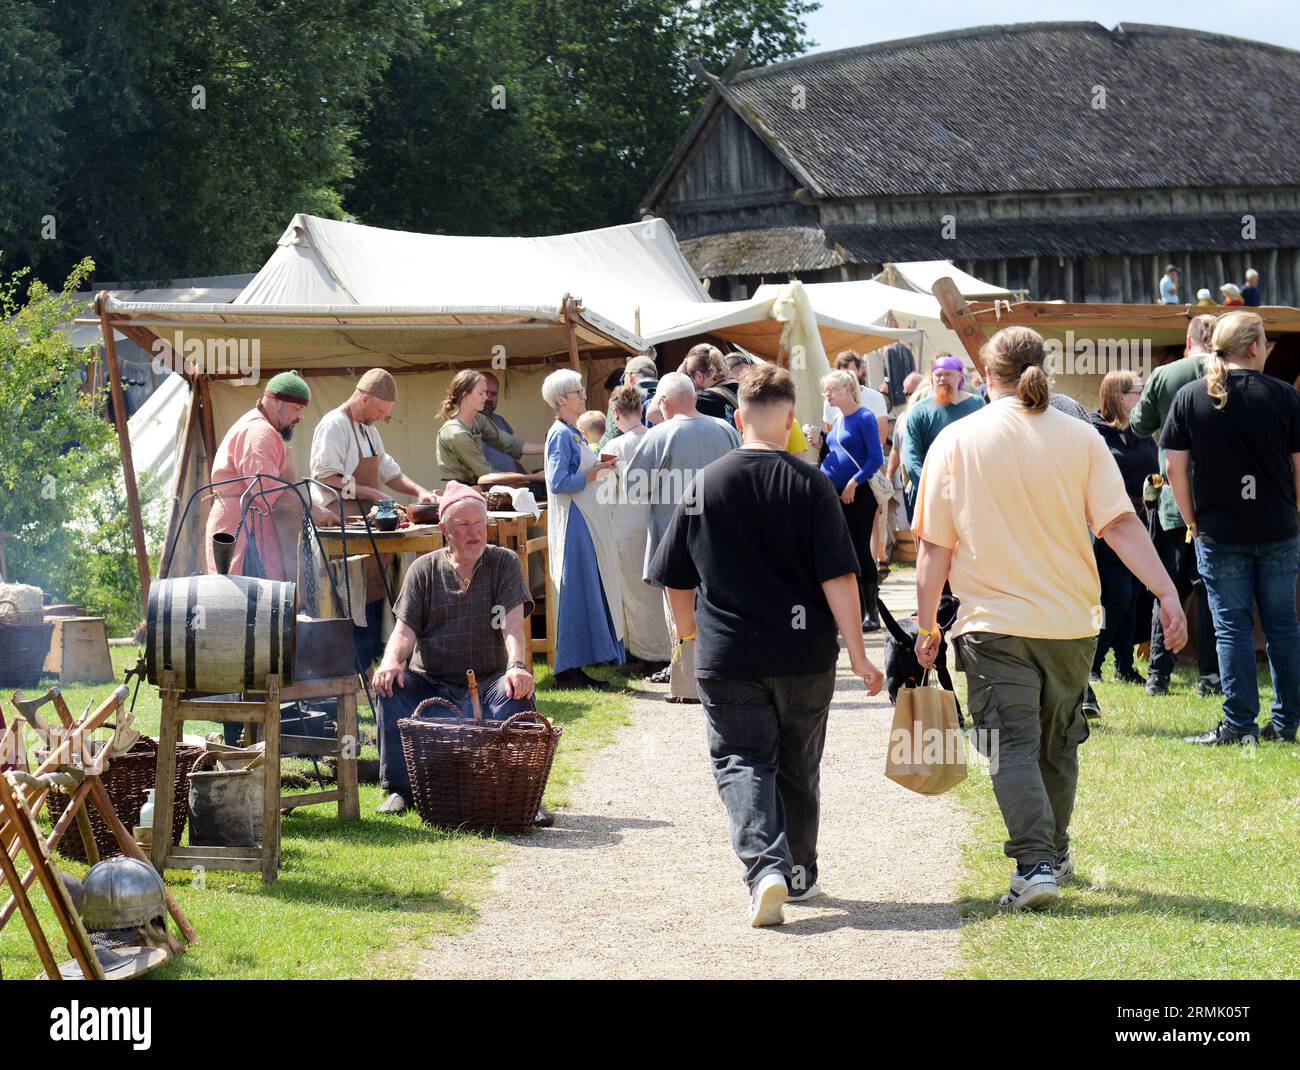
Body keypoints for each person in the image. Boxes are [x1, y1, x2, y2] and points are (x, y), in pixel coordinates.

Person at [913, 325, 1185, 911]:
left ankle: (1036, 865)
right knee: (1058, 746)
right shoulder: (1082, 438)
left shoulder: (955, 442)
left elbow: (935, 547)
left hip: (992, 624)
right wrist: (1166, 593)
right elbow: (1120, 525)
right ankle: (1053, 854)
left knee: (1010, 744)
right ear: (1044, 371)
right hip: (1071, 624)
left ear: (986, 377)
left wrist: (927, 623)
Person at [649, 364, 884, 927]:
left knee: (742, 760)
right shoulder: (812, 484)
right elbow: (840, 578)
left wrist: (687, 638)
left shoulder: (704, 485)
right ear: (790, 420)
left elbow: (674, 576)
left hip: (728, 655)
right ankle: (799, 868)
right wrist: (857, 651)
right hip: (805, 654)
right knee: (800, 763)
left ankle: (766, 868)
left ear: (737, 418)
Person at [1163, 311, 1300, 745]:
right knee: (1283, 626)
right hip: (1278, 527)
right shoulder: (1283, 396)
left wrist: (1190, 520)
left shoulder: (1190, 397)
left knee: (1232, 628)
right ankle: (1286, 724)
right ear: (1255, 347)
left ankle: (1239, 725)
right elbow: (1299, 467)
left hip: (1219, 532)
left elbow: (1173, 468)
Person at [368, 482, 538, 814]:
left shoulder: (503, 563)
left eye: (480, 524)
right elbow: (404, 633)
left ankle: (523, 791)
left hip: (487, 682)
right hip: (431, 684)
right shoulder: (423, 570)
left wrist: (516, 665)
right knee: (390, 688)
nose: (475, 533)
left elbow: (513, 625)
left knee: (517, 691)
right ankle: (401, 790)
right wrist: (390, 662)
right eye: (464, 525)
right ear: (445, 530)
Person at [310, 369, 438, 671]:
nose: (381, 417)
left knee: (374, 591)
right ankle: (349, 667)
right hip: (341, 523)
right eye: (379, 411)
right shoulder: (334, 425)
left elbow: (389, 470)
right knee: (351, 595)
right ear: (364, 398)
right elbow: (326, 477)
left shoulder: (370, 430)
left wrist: (420, 491)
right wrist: (371, 493)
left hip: (367, 526)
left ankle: (369, 662)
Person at [624, 372, 741, 700]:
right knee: (722, 610)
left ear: (663, 402)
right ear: (694, 396)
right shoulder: (726, 429)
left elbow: (633, 488)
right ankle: (727, 679)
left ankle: (689, 686)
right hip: (724, 538)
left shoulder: (658, 434)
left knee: (681, 616)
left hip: (675, 540)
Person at [1129, 314, 1221, 697]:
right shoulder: (1226, 374)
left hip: (1171, 499)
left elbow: (1137, 423)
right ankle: (1210, 677)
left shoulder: (1165, 376)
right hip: (1218, 499)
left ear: (1188, 340)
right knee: (1211, 591)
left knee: (1166, 588)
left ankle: (1158, 674)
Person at [206, 371, 336, 580]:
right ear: (276, 402)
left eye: (303, 410)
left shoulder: (266, 430)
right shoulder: (259, 433)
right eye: (297, 408)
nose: (300, 417)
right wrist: (313, 510)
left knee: (265, 600)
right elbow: (267, 492)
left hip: (253, 525)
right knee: (247, 600)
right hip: (242, 529)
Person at [542, 369, 625, 689]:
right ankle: (569, 667)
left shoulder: (570, 432)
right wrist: (592, 475)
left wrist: (598, 468)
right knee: (575, 589)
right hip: (575, 521)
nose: (584, 396)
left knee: (585, 587)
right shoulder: (560, 435)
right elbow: (558, 482)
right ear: (561, 399)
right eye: (578, 392)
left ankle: (582, 660)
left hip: (584, 520)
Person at [1088, 371, 1158, 687]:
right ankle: (1093, 663)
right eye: (1136, 391)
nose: (1141, 397)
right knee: (1115, 596)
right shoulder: (1095, 432)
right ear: (1118, 395)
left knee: (1132, 596)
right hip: (1108, 522)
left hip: (1139, 520)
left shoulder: (1140, 431)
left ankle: (1125, 665)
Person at [602, 386, 672, 675]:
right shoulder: (659, 439)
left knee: (634, 592)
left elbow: (606, 492)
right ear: (640, 410)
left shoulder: (614, 448)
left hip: (626, 524)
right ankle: (666, 647)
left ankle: (648, 654)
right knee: (657, 592)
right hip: (657, 520)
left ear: (616, 414)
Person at [819, 370, 884, 632]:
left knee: (859, 551)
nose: (827, 395)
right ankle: (852, 611)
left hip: (858, 495)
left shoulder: (864, 417)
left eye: (831, 390)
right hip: (835, 494)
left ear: (847, 389)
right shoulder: (838, 419)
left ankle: (872, 612)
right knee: (842, 552)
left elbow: (875, 458)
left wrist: (853, 482)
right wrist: (821, 442)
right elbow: (834, 451)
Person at [901, 354, 985, 515]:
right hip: (931, 491)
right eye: (938, 375)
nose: (942, 379)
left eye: (947, 374)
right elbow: (911, 456)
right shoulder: (919, 411)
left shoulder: (977, 405)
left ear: (960, 375)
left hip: (970, 490)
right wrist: (928, 488)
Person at [436, 370, 542, 485]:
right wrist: (534, 477)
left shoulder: (478, 420)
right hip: (462, 495)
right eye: (481, 393)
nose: (486, 397)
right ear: (465, 395)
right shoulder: (456, 433)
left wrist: (548, 448)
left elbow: (510, 443)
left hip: (479, 491)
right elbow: (487, 474)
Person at [602, 355, 658, 443]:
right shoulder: (671, 394)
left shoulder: (624, 398)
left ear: (629, 376)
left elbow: (611, 439)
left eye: (623, 380)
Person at [679, 344, 737, 425]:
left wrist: (679, 378)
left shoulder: (701, 401)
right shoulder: (744, 387)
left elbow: (656, 412)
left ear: (699, 376)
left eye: (688, 375)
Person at [479, 372, 524, 473]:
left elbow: (511, 459)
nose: (489, 398)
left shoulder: (500, 421)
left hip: (511, 485)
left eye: (493, 394)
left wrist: (526, 479)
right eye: (485, 393)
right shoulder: (465, 424)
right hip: (486, 486)